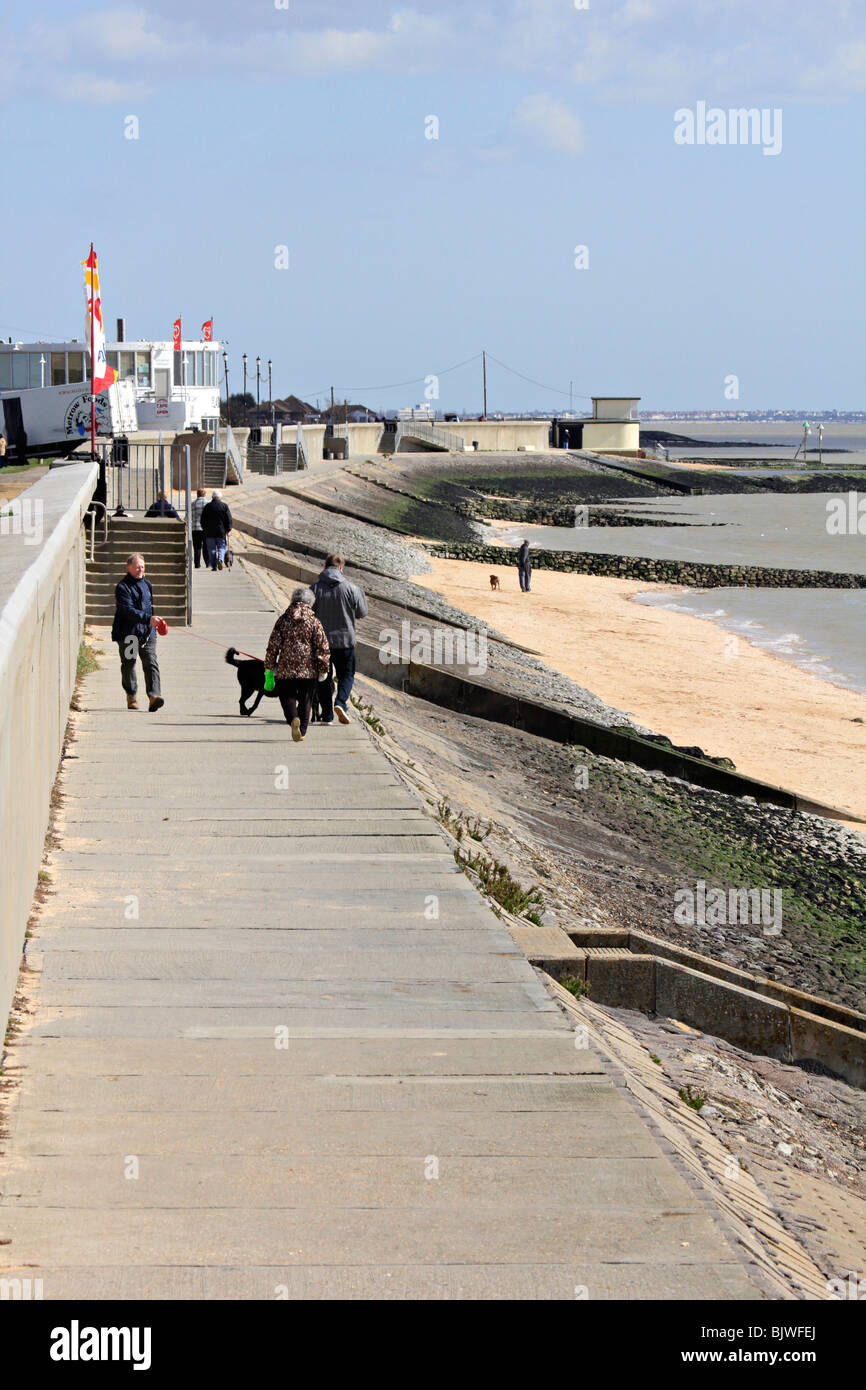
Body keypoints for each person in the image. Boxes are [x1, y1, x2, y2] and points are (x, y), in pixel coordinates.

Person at [264, 586, 330, 742]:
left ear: (293, 600)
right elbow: (322, 646)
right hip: (308, 669)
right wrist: (323, 668)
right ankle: (302, 731)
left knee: (287, 696)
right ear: (310, 602)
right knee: (306, 699)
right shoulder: (314, 622)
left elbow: (273, 645)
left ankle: (293, 718)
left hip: (285, 667)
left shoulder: (283, 620)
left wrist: (269, 665)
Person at [312, 553, 368, 724]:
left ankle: (327, 716)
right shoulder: (352, 589)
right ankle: (341, 702)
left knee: (323, 678)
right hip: (345, 642)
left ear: (325, 567)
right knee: (347, 675)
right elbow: (362, 613)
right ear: (341, 568)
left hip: (322, 643)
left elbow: (307, 614)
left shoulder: (313, 589)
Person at [111, 553, 165, 711]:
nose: (140, 569)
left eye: (142, 566)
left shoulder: (148, 584)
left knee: (151, 662)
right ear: (128, 568)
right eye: (137, 567)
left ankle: (154, 696)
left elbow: (150, 607)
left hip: (147, 633)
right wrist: (148, 618)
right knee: (129, 665)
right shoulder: (122, 587)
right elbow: (127, 610)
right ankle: (131, 695)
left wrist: (155, 622)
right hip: (129, 634)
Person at [200, 488, 233, 570]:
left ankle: (214, 566)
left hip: (209, 532)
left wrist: (204, 528)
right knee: (222, 547)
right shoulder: (224, 506)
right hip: (221, 532)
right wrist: (229, 529)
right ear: (220, 497)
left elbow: (202, 519)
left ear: (212, 497)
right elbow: (229, 519)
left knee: (211, 549)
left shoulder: (207, 506)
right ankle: (220, 560)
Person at [191, 487, 207, 568]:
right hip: (205, 528)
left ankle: (197, 564)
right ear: (204, 494)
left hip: (195, 528)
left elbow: (188, 516)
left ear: (197, 494)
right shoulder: (208, 503)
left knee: (197, 547)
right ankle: (208, 563)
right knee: (206, 546)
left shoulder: (192, 504)